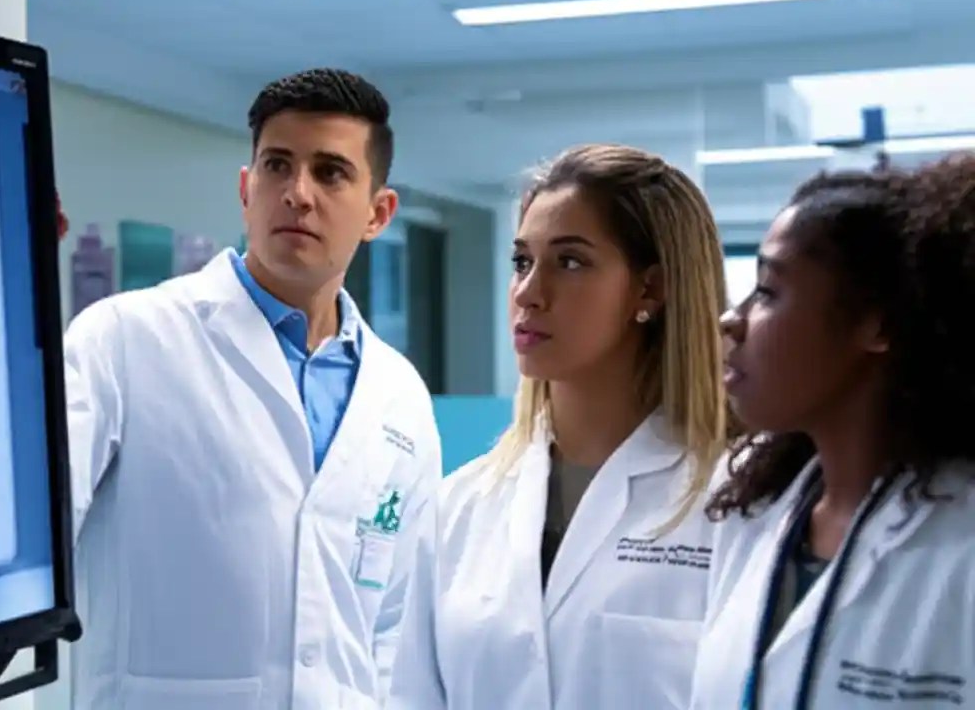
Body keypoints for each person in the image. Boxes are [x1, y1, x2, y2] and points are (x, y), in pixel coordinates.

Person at [63, 68, 442, 710]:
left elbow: (396, 629)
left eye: (330, 172)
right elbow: (30, 556)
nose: (297, 193)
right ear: (247, 189)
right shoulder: (122, 339)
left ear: (378, 213)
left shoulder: (399, 394)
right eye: (277, 166)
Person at [388, 144, 730, 709]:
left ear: (651, 289)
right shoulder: (461, 507)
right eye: (522, 261)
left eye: (569, 262)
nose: (528, 293)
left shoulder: (733, 502)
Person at [689, 157, 975, 709]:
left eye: (768, 291)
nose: (732, 319)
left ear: (878, 324)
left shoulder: (960, 539)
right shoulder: (750, 509)